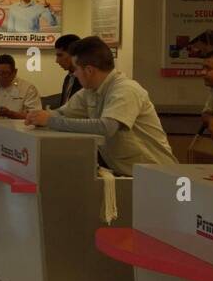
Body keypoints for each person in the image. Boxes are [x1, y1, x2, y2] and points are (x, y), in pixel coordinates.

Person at [26, 36, 177, 176]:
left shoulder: (126, 89)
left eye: (76, 69)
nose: (75, 74)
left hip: (157, 176)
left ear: (89, 70)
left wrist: (50, 121)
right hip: (128, 173)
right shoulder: (89, 91)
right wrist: (39, 117)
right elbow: (62, 113)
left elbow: (107, 127)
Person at [0, 54, 41, 120]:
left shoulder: (28, 89)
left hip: (19, 129)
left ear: (15, 72)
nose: (0, 77)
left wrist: (10, 114)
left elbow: (36, 117)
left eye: (5, 73)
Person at [54, 34, 83, 108]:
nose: (57, 61)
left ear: (74, 54)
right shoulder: (68, 78)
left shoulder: (85, 80)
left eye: (60, 55)